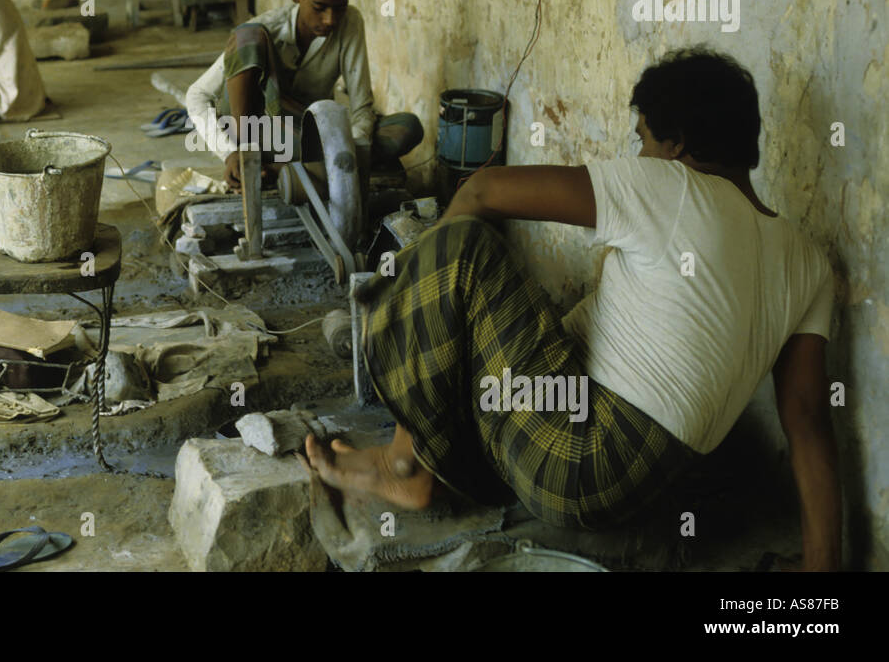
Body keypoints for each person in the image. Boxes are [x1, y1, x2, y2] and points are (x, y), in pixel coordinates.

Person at [304, 47, 840, 570]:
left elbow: (484, 190)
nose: (641, 157)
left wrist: (421, 286)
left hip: (575, 464)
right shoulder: (807, 260)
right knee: (519, 310)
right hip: (651, 488)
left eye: (645, 141)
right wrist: (821, 570)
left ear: (676, 146)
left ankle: (405, 463)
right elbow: (808, 419)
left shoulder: (675, 186)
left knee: (461, 249)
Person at [184, 0, 422, 191]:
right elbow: (197, 95)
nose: (330, 19)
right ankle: (259, 162)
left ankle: (292, 169)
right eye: (319, 8)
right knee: (248, 37)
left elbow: (362, 107)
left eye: (339, 8)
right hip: (258, 134)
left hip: (305, 137)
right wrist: (229, 153)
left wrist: (350, 146)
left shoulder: (350, 22)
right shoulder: (266, 28)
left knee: (406, 128)